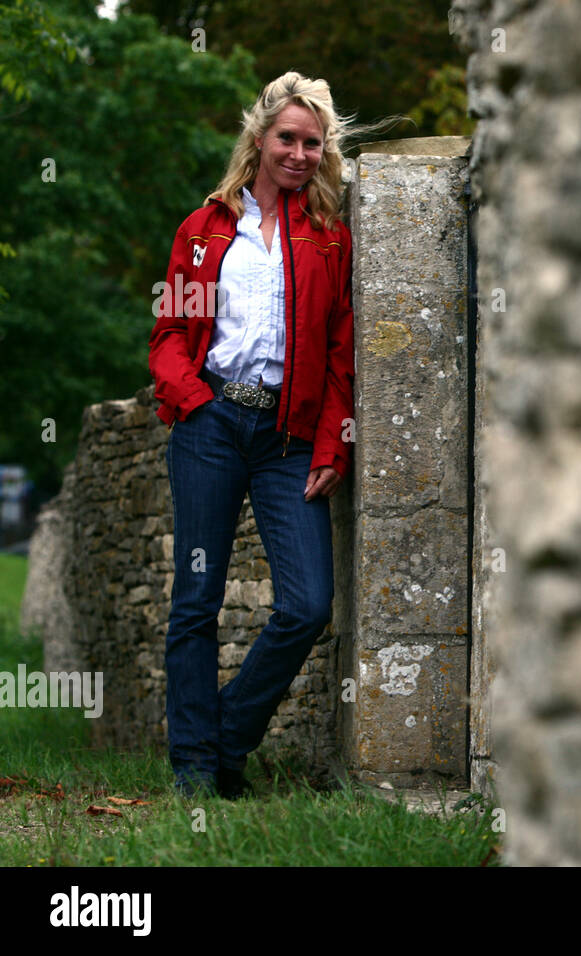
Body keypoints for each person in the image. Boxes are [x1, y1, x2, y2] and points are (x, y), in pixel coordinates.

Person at [148, 71, 399, 798]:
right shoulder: (202, 231)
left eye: (312, 143)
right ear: (260, 139)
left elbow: (340, 354)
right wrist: (191, 398)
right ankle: (197, 771)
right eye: (287, 138)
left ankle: (223, 738)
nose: (298, 153)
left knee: (307, 606)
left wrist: (334, 444)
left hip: (290, 438)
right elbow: (169, 334)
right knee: (196, 598)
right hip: (211, 425)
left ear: (325, 153)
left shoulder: (327, 238)